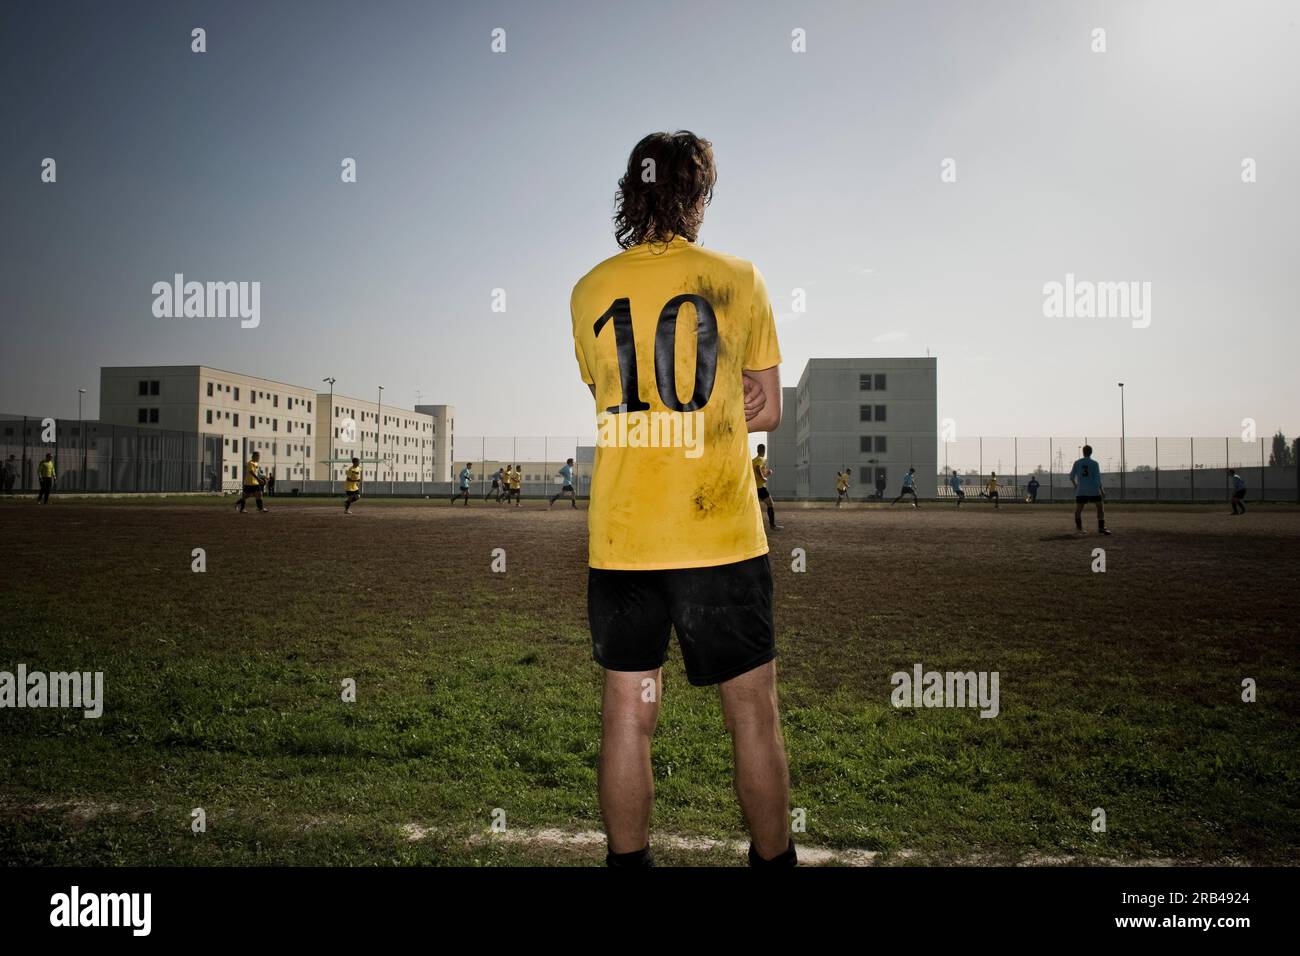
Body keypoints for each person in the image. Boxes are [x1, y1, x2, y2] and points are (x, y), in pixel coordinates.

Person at [571, 131, 794, 868]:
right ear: (698, 196)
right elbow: (767, 410)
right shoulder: (739, 279)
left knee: (626, 723)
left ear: (632, 191)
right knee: (753, 721)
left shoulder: (590, 288)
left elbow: (610, 391)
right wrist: (733, 395)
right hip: (720, 535)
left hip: (626, 539)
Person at [1069, 444, 1110, 535]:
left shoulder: (1077, 462)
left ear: (1083, 452)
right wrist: (1102, 490)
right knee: (1100, 508)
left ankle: (1079, 529)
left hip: (1081, 490)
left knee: (1078, 510)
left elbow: (1071, 477)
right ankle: (1101, 528)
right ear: (1091, 452)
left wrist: (1075, 485)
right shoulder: (1095, 463)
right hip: (1093, 490)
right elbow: (1097, 479)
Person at [753, 444, 780, 530]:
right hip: (760, 487)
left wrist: (767, 474)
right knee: (770, 504)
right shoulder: (761, 459)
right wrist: (763, 478)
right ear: (764, 451)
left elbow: (757, 471)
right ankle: (772, 526)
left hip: (754, 487)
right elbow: (758, 469)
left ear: (757, 450)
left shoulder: (753, 460)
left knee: (754, 506)